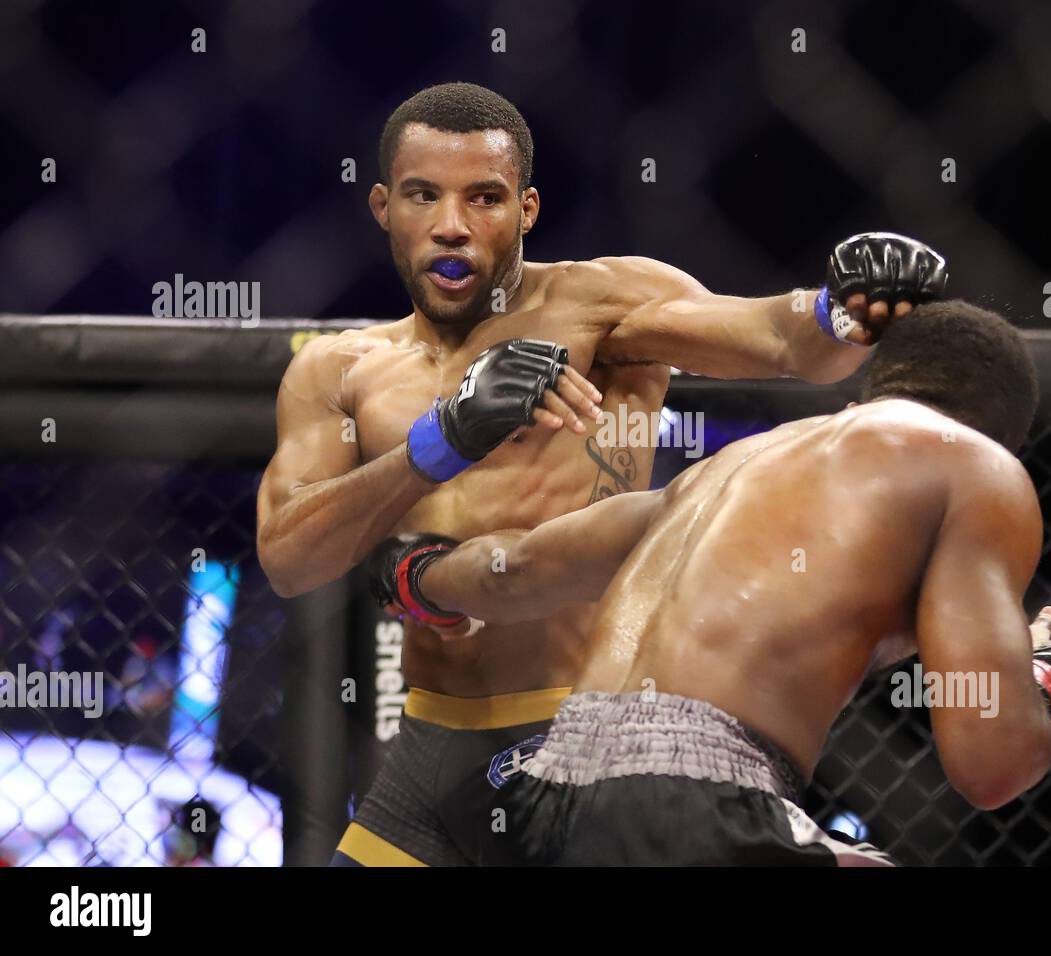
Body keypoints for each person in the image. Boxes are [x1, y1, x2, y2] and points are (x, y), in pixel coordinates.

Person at [255, 80, 947, 866]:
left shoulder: (600, 307)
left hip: (587, 742)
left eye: (484, 198)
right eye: (423, 196)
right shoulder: (340, 371)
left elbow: (782, 341)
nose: (451, 225)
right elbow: (288, 558)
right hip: (429, 754)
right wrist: (442, 440)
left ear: (526, 209)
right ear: (383, 207)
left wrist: (840, 310)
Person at [405, 300, 1051, 865]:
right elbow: (989, 762)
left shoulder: (721, 472)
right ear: (999, 435)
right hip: (696, 812)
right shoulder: (978, 468)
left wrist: (412, 576)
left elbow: (517, 569)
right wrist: (1043, 683)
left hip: (541, 805)